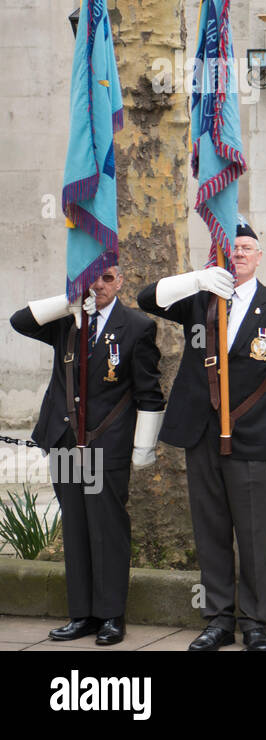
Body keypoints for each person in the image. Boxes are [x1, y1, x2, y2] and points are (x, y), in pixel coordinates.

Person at [136, 223, 266, 652]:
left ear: (260, 255)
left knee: (252, 534)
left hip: (253, 435)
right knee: (209, 530)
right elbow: (144, 299)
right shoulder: (200, 299)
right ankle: (217, 619)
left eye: (248, 247)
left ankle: (254, 622)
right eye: (233, 247)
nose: (240, 253)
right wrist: (196, 278)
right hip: (202, 431)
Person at [11, 265, 164, 647]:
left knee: (106, 529)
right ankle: (81, 614)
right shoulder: (67, 321)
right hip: (64, 441)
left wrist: (143, 445)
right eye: (91, 278)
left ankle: (111, 615)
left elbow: (148, 391)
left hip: (102, 445)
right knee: (76, 528)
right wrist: (67, 302)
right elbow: (19, 321)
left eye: (107, 278)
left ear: (121, 281)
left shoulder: (136, 326)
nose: (99, 285)